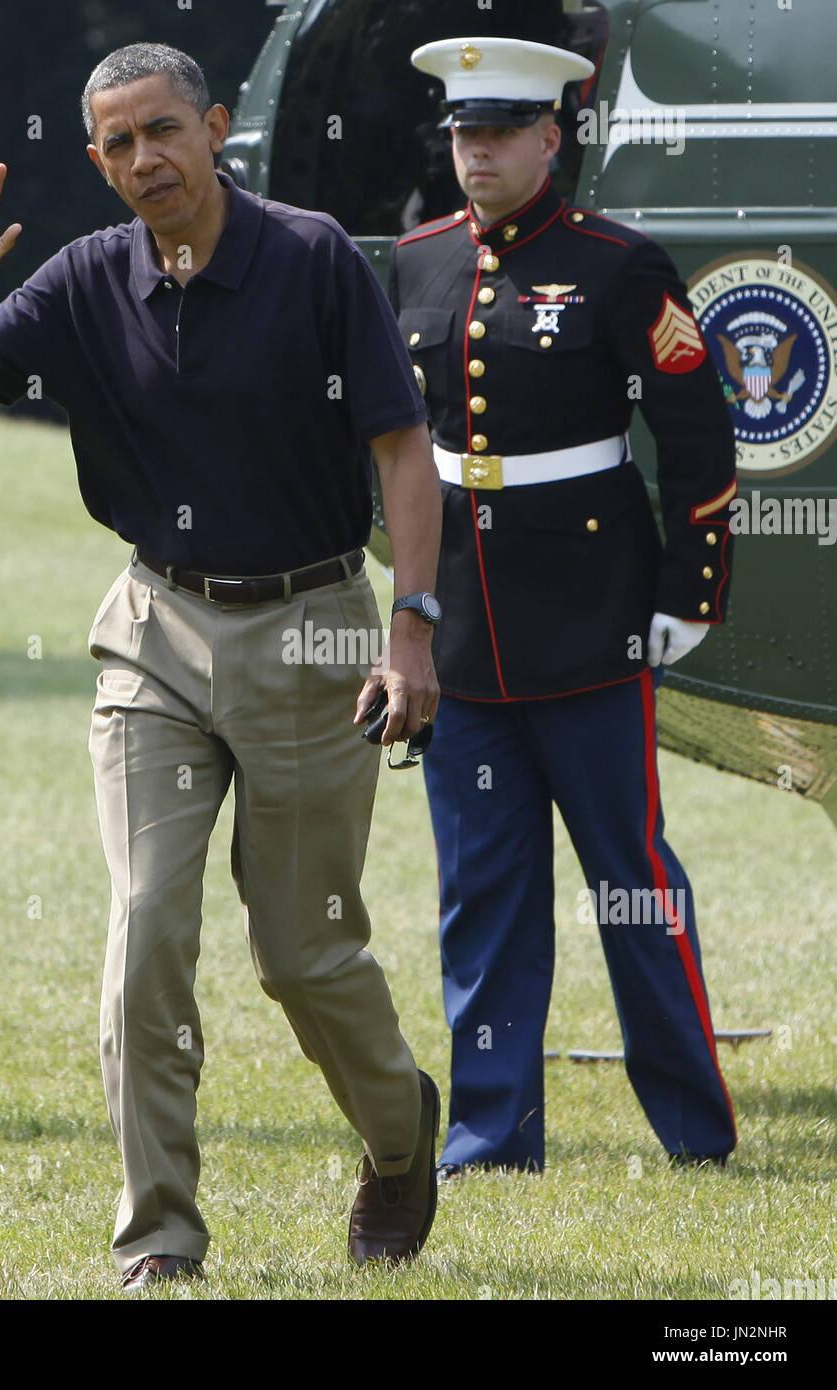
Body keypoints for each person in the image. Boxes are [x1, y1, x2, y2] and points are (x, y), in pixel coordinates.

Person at [0, 42, 446, 1287]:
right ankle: (162, 1238)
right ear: (98, 162)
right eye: (117, 144)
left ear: (212, 130)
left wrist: (411, 630)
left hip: (315, 628)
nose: (145, 159)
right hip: (155, 629)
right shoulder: (89, 279)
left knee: (303, 955)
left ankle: (402, 1134)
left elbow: (405, 452)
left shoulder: (311, 259)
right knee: (145, 932)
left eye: (163, 131)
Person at [389, 37, 738, 1179]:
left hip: (594, 622)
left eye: (498, 133)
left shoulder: (620, 264)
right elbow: (401, 450)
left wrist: (690, 589)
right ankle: (491, 1141)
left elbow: (695, 439)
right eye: (460, 133)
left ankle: (693, 1122)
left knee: (632, 886)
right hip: (465, 643)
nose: (474, 152)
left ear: (552, 137)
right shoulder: (421, 260)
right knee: (480, 894)